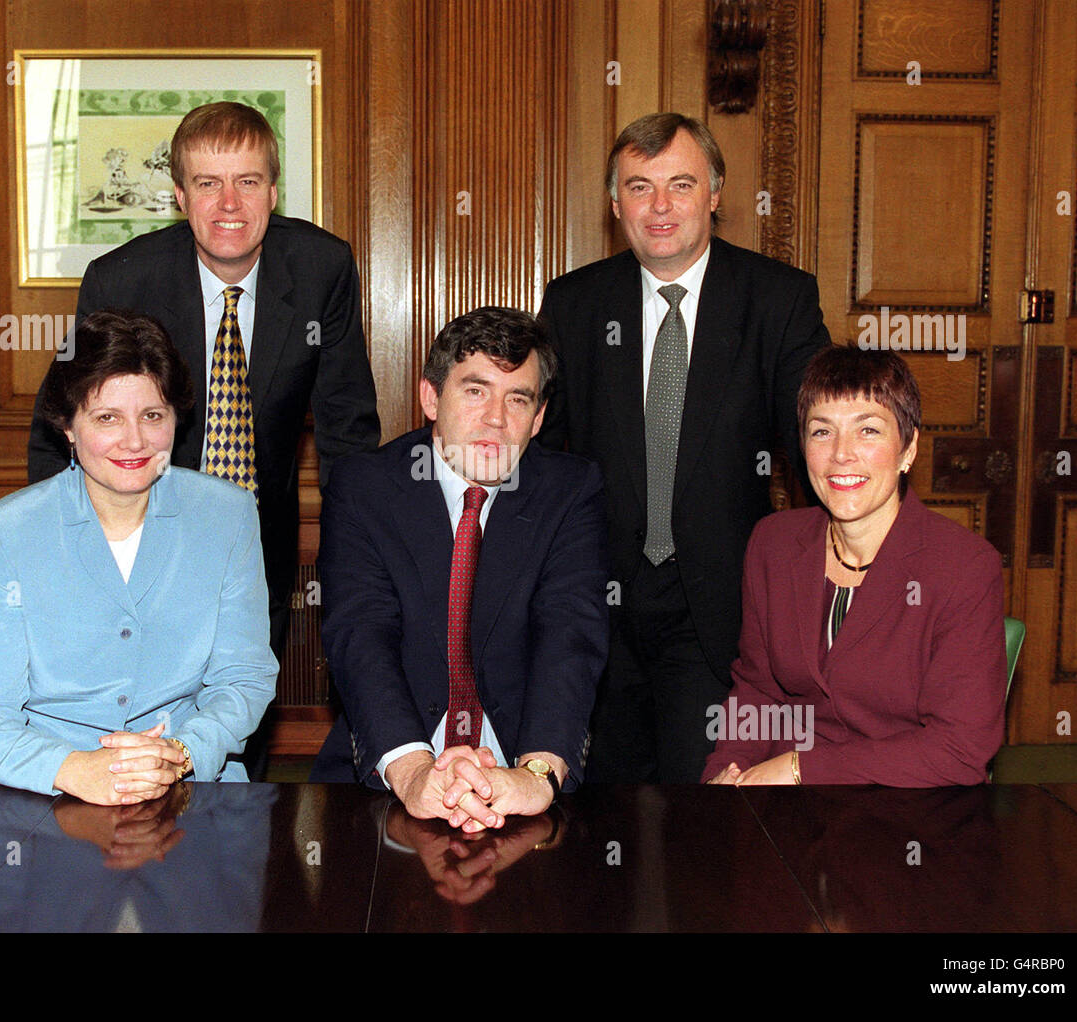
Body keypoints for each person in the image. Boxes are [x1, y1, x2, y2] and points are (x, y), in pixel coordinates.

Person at [27, 101, 381, 667]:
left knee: (242, 708)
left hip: (260, 542)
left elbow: (349, 428)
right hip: (136, 540)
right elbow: (58, 425)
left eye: (247, 181)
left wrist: (358, 554)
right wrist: (66, 555)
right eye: (207, 184)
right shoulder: (122, 280)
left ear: (272, 190)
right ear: (180, 195)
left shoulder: (323, 269)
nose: (230, 204)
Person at [537, 112, 831, 782]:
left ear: (715, 195)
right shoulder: (575, 303)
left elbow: (821, 447)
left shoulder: (778, 299)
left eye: (680, 184)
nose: (660, 206)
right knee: (599, 814)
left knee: (697, 818)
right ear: (616, 205)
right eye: (640, 188)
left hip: (718, 612)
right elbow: (545, 460)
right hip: (598, 607)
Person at [0, 311, 278, 802]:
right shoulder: (10, 529)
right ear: (68, 428)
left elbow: (243, 678)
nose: (135, 441)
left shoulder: (228, 515)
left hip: (185, 782)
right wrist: (73, 769)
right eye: (107, 418)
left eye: (152, 415)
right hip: (43, 785)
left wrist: (181, 753)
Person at [309, 308, 609, 832]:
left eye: (518, 399)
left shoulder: (570, 491)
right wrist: (412, 771)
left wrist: (535, 774)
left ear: (538, 419)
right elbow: (362, 636)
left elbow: (571, 636)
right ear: (431, 397)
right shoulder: (365, 488)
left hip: (524, 767)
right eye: (476, 391)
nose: (496, 417)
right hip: (388, 770)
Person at [702, 345, 1006, 786]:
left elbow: (959, 751)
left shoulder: (964, 567)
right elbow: (757, 690)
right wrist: (726, 774)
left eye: (868, 430)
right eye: (822, 432)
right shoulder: (774, 543)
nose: (842, 454)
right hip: (792, 811)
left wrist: (800, 768)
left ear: (908, 449)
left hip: (909, 814)